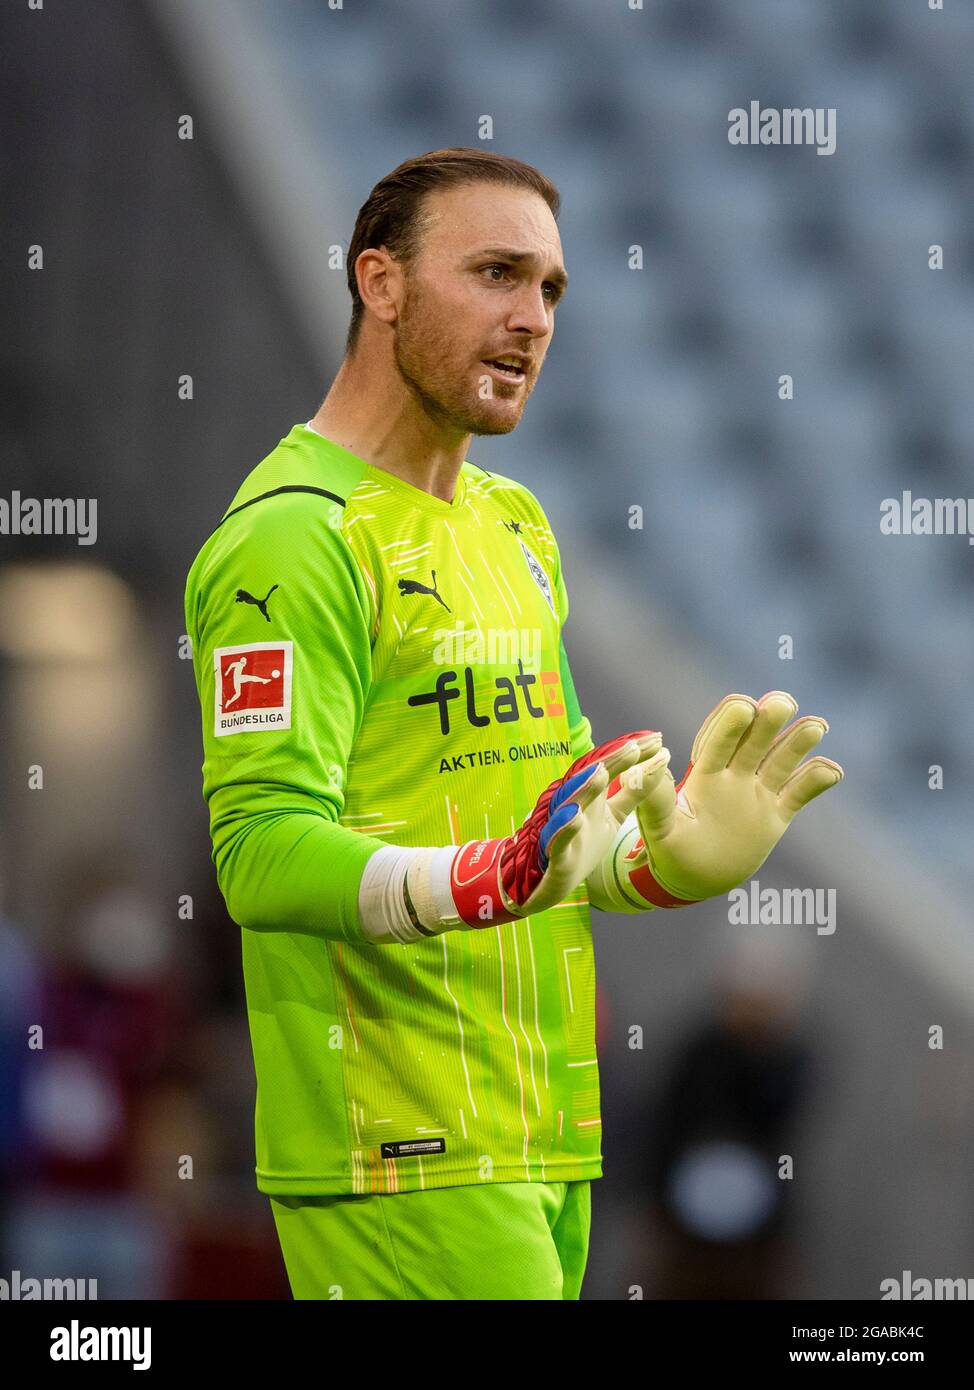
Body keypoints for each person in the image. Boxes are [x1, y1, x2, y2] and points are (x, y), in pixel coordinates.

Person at [184, 148, 843, 1300]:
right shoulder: (291, 538)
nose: (531, 318)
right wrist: (492, 875)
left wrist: (668, 859)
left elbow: (551, 844)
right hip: (402, 1146)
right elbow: (258, 852)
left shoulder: (514, 524)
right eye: (495, 273)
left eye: (549, 289)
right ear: (378, 282)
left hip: (546, 1134)